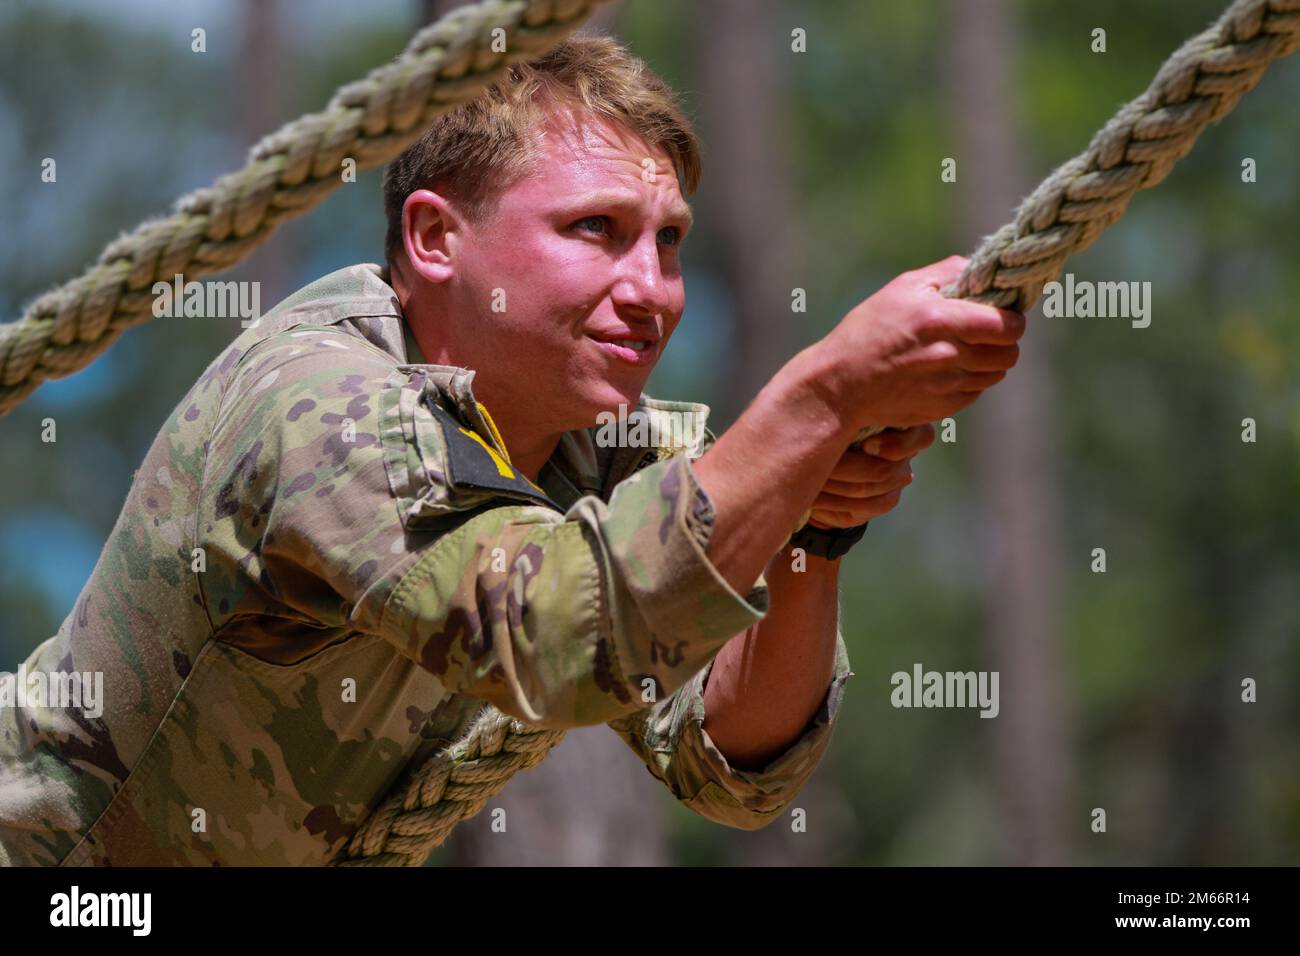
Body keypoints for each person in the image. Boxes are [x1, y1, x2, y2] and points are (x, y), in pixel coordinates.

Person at [0, 36, 1022, 866]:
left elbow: (733, 762)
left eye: (667, 241)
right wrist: (822, 395)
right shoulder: (323, 407)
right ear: (437, 239)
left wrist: (819, 528)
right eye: (596, 228)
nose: (653, 287)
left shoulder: (623, 444)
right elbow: (558, 637)